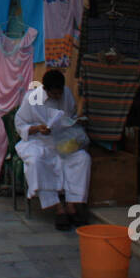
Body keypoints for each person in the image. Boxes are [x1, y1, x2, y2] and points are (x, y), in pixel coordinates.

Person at [13, 69, 92, 230]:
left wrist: (75, 122)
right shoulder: (31, 99)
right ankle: (57, 207)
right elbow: (20, 125)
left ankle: (72, 203)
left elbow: (69, 116)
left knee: (82, 158)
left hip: (61, 140)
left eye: (59, 94)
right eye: (54, 94)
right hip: (38, 141)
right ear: (45, 90)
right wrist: (37, 128)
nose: (57, 97)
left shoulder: (67, 95)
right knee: (36, 161)